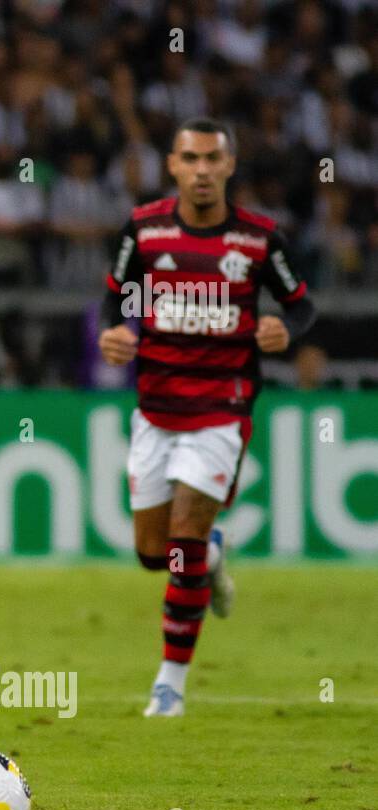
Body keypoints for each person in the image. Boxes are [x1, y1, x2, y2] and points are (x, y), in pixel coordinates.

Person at [98, 117, 316, 718]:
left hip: (223, 405)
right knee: (153, 552)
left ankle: (170, 684)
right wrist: (114, 331)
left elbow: (303, 306)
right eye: (189, 159)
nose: (201, 170)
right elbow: (116, 294)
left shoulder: (258, 240)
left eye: (211, 159)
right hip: (157, 409)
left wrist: (282, 329)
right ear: (172, 165)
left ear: (229, 165)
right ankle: (213, 557)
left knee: (184, 539)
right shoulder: (143, 230)